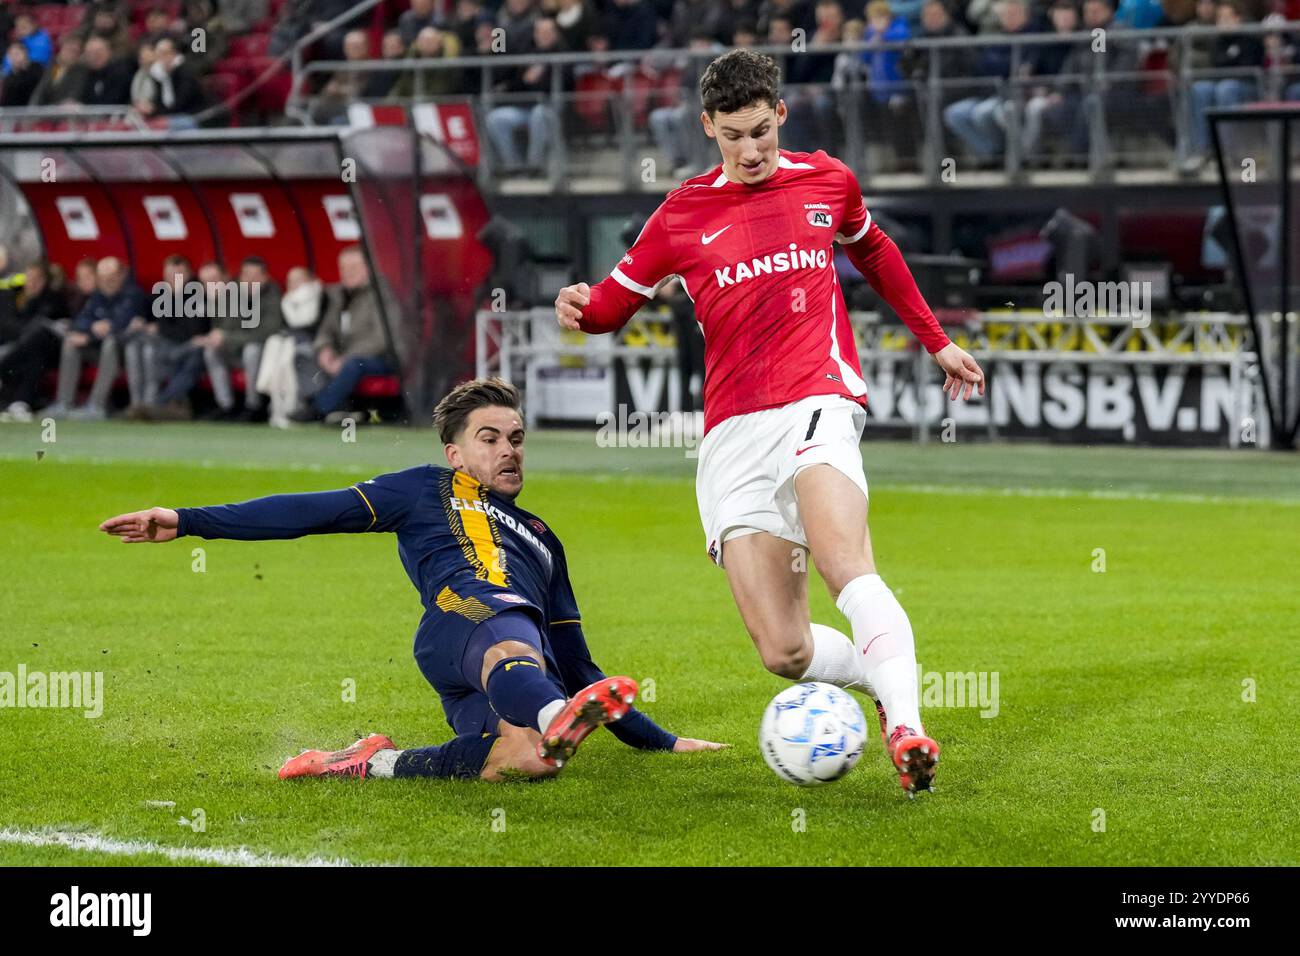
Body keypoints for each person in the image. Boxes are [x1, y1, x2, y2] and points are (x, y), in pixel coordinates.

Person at [553, 49, 985, 794]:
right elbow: (610, 306)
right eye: (733, 136)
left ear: (780, 114)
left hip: (818, 401)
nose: (750, 150)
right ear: (707, 129)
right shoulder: (681, 214)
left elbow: (874, 251)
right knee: (782, 651)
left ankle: (909, 725)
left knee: (844, 560)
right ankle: (882, 682)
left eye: (761, 131)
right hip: (732, 435)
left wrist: (936, 340)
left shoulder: (828, 181)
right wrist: (579, 306)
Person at [99, 377, 725, 781]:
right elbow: (311, 510)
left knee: (530, 760)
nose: (509, 450)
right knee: (507, 624)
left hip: (508, 670)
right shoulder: (424, 487)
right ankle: (555, 712)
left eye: (516, 438)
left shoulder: (544, 539)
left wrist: (664, 744)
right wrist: (187, 522)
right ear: (455, 453)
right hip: (460, 623)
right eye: (490, 438)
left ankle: (369, 763)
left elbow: (583, 666)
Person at [294, 247, 401, 422]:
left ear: (368, 268)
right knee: (304, 352)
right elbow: (327, 329)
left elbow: (382, 338)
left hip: (382, 358)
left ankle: (319, 408)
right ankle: (315, 403)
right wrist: (325, 349)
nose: (347, 272)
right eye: (343, 268)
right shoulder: (339, 295)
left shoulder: (381, 295)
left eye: (353, 267)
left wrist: (344, 358)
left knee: (353, 364)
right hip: (346, 357)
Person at [48, 257, 147, 420]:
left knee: (110, 343)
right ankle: (63, 403)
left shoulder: (133, 294)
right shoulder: (98, 295)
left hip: (124, 354)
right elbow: (80, 322)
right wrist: (92, 329)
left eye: (112, 277)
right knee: (71, 341)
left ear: (122, 275)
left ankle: (96, 405)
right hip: (98, 348)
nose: (107, 281)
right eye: (103, 278)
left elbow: (120, 326)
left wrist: (90, 336)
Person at [203, 256, 281, 420]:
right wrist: (218, 335)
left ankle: (253, 406)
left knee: (251, 350)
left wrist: (227, 337)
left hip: (263, 355)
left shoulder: (272, 295)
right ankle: (225, 406)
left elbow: (265, 333)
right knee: (211, 350)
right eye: (246, 275)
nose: (250, 280)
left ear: (265, 277)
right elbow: (224, 326)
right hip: (235, 352)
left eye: (255, 276)